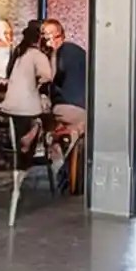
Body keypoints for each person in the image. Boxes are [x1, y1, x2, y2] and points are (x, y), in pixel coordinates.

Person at [0, 24, 54, 152]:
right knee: (50, 114)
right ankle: (31, 137)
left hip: (10, 103)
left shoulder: (19, 52)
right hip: (27, 107)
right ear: (40, 38)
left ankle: (24, 143)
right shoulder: (38, 55)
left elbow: (9, 73)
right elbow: (48, 77)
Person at [42, 19, 87, 166]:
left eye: (55, 37)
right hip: (88, 109)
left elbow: (52, 79)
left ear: (63, 36)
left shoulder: (55, 55)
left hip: (67, 108)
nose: (52, 42)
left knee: (44, 118)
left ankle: (57, 146)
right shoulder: (79, 51)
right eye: (47, 38)